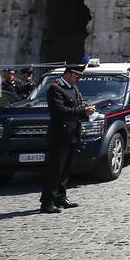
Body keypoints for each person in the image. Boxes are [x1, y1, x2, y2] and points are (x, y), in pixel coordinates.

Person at [41, 63, 96, 214]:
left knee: (66, 170)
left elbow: (77, 103)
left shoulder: (73, 88)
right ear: (68, 74)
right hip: (60, 135)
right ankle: (47, 202)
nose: (77, 79)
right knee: (55, 170)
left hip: (72, 134)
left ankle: (60, 197)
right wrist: (82, 111)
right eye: (76, 76)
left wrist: (86, 108)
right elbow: (59, 111)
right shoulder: (56, 88)